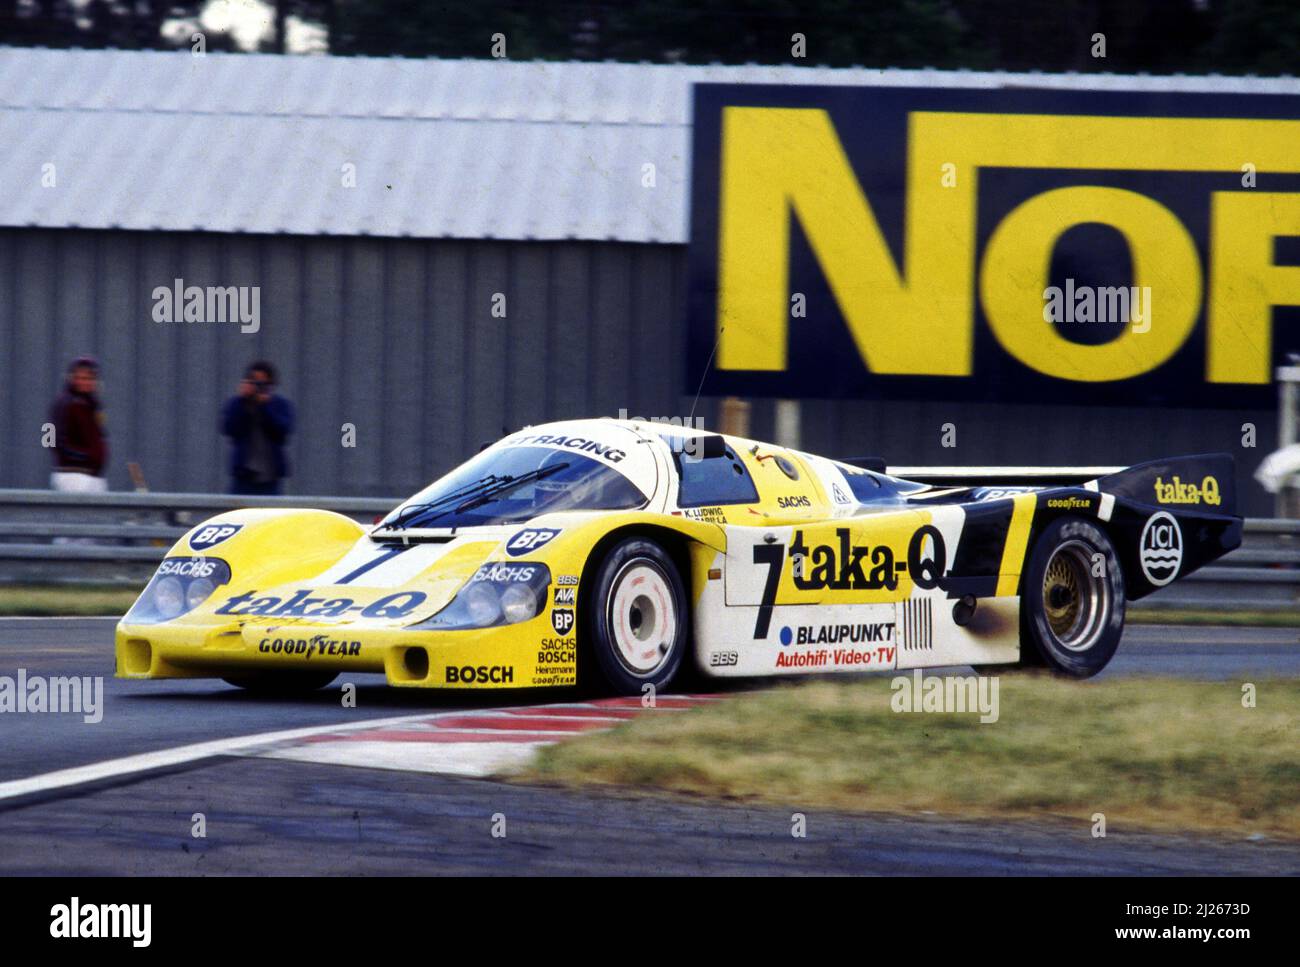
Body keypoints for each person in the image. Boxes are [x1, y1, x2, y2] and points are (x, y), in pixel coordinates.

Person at [221, 361, 294, 496]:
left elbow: (282, 432)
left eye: (264, 385)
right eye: (255, 383)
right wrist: (242, 401)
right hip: (243, 478)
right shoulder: (237, 404)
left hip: (270, 479)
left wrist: (265, 407)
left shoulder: (280, 405)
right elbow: (229, 429)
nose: (259, 388)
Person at [49, 356, 109, 493]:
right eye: (79, 378)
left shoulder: (92, 406)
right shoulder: (62, 403)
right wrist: (82, 458)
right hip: (73, 476)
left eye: (88, 378)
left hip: (94, 476)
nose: (84, 382)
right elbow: (48, 439)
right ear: (71, 379)